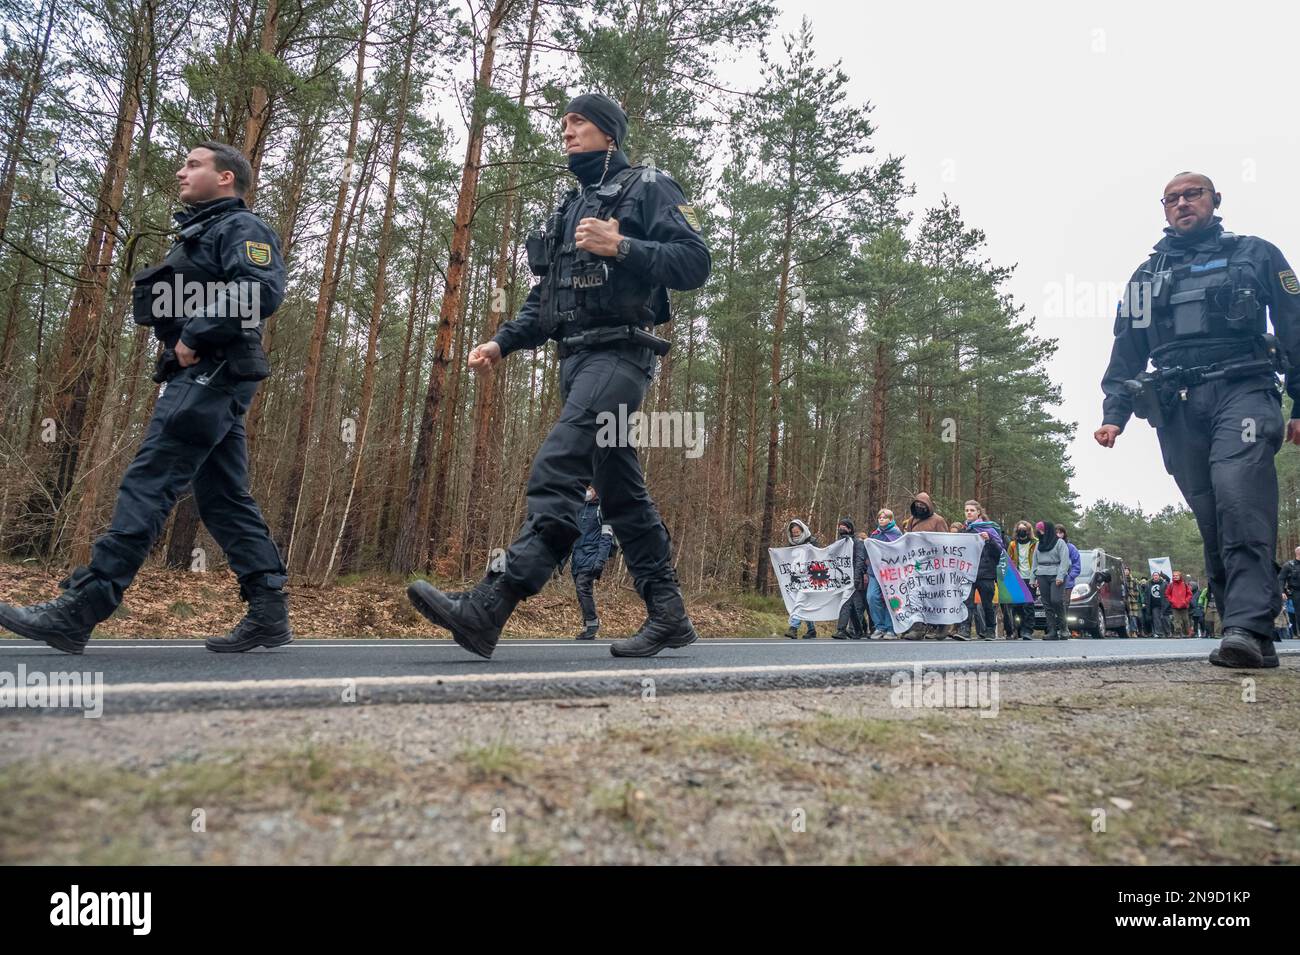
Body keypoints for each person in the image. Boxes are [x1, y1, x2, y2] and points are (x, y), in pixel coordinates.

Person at [406, 93, 710, 659]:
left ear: (609, 134)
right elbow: (546, 299)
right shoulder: (569, 207)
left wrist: (622, 245)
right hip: (574, 361)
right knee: (620, 493)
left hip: (621, 356)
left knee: (559, 465)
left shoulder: (650, 187)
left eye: (578, 122)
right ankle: (669, 613)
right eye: (563, 123)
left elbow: (696, 262)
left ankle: (491, 603)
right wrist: (503, 341)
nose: (566, 131)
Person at [0, 142, 289, 654]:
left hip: (212, 371)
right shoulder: (200, 232)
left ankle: (81, 608)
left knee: (149, 480)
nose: (182, 171)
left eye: (194, 164)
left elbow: (259, 290)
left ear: (226, 179)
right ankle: (268, 611)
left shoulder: (241, 228)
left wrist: (193, 334)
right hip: (210, 377)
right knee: (223, 498)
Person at [1096, 171, 1300, 668]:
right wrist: (1114, 413)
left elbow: (1294, 325)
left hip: (1244, 391)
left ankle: (1247, 627)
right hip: (1178, 405)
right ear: (1163, 209)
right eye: (1173, 198)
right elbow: (1127, 349)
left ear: (1215, 200)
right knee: (1212, 516)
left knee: (1239, 496)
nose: (1183, 203)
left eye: (1193, 194)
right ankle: (1246, 630)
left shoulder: (1255, 254)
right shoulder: (1146, 276)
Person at [569, 485, 615, 640]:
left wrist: (600, 561)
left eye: (590, 488)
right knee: (580, 591)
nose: (587, 491)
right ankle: (588, 625)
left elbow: (606, 538)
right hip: (577, 557)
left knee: (583, 588)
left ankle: (592, 625)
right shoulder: (579, 508)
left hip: (592, 556)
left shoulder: (603, 511)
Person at [959, 500, 1003, 641]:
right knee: (967, 603)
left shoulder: (990, 529)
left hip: (986, 573)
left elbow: (1000, 552)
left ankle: (990, 630)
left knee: (987, 604)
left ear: (978, 512)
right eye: (967, 510)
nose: (969, 512)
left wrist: (989, 540)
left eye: (972, 510)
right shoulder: (964, 530)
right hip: (968, 572)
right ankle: (965, 630)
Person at [865, 509, 902, 639]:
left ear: (891, 520)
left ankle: (890, 628)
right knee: (872, 597)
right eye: (880, 517)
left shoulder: (897, 535)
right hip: (875, 572)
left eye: (884, 517)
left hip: (891, 573)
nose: (881, 519)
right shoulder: (874, 534)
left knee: (890, 600)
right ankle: (879, 626)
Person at [782, 518, 820, 639]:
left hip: (809, 578)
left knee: (800, 601)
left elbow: (819, 557)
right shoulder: (791, 545)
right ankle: (812, 630)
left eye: (798, 532)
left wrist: (812, 550)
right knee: (802, 603)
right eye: (793, 533)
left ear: (802, 530)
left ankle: (793, 628)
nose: (796, 535)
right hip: (796, 578)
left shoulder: (812, 541)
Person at [831, 518, 867, 640]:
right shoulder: (839, 544)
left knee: (847, 603)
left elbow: (860, 560)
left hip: (854, 579)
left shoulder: (857, 543)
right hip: (842, 580)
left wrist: (856, 578)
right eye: (839, 526)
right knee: (850, 605)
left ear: (850, 529)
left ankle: (841, 630)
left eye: (844, 526)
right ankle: (859, 630)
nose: (841, 528)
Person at [1033, 520, 1068, 640]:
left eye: (1042, 530)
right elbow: (1034, 561)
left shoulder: (1060, 543)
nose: (1040, 532)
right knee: (1046, 603)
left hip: (1056, 573)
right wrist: (1033, 577)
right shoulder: (1039, 544)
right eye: (1039, 530)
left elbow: (1065, 561)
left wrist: (1060, 576)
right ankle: (1052, 630)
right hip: (1042, 574)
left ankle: (1063, 628)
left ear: (1048, 530)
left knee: (1056, 600)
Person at [1005, 521, 1038, 640]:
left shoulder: (1035, 544)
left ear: (1028, 530)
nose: (1021, 531)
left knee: (1028, 606)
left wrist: (1037, 576)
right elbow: (1008, 560)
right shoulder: (1013, 545)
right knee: (1016, 606)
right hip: (1017, 578)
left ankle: (1027, 630)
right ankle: (1016, 630)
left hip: (1031, 578)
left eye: (1024, 529)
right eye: (1019, 529)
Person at [1278, 546, 1300, 634]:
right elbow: (1281, 579)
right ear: (1298, 553)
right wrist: (1282, 591)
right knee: (1299, 612)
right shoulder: (1289, 565)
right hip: (1296, 592)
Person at [1167, 570, 1193, 637]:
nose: (1175, 577)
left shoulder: (1184, 584)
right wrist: (1171, 600)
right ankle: (1177, 633)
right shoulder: (1171, 585)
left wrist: (1186, 601)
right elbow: (1167, 594)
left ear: (1180, 576)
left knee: (1185, 620)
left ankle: (1186, 633)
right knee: (1176, 620)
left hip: (1184, 605)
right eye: (1174, 576)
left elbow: (1189, 594)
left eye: (1177, 576)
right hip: (1174, 606)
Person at [1148, 572, 1168, 637]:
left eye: (1156, 575)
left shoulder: (1164, 584)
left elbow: (1167, 593)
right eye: (1154, 575)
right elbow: (1146, 594)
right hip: (1154, 605)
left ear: (1159, 576)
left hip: (1163, 604)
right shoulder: (1149, 584)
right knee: (1156, 619)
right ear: (1152, 576)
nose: (1155, 576)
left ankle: (1167, 632)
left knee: (1164, 618)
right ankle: (1159, 633)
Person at [1123, 566, 1142, 637]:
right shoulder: (1121, 579)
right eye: (1125, 570)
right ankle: (1127, 631)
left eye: (1127, 570)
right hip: (1124, 600)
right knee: (1126, 616)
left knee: (1133, 616)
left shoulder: (1133, 580)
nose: (1126, 572)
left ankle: (1134, 631)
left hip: (1132, 600)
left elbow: (1137, 591)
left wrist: (1134, 597)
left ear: (1129, 571)